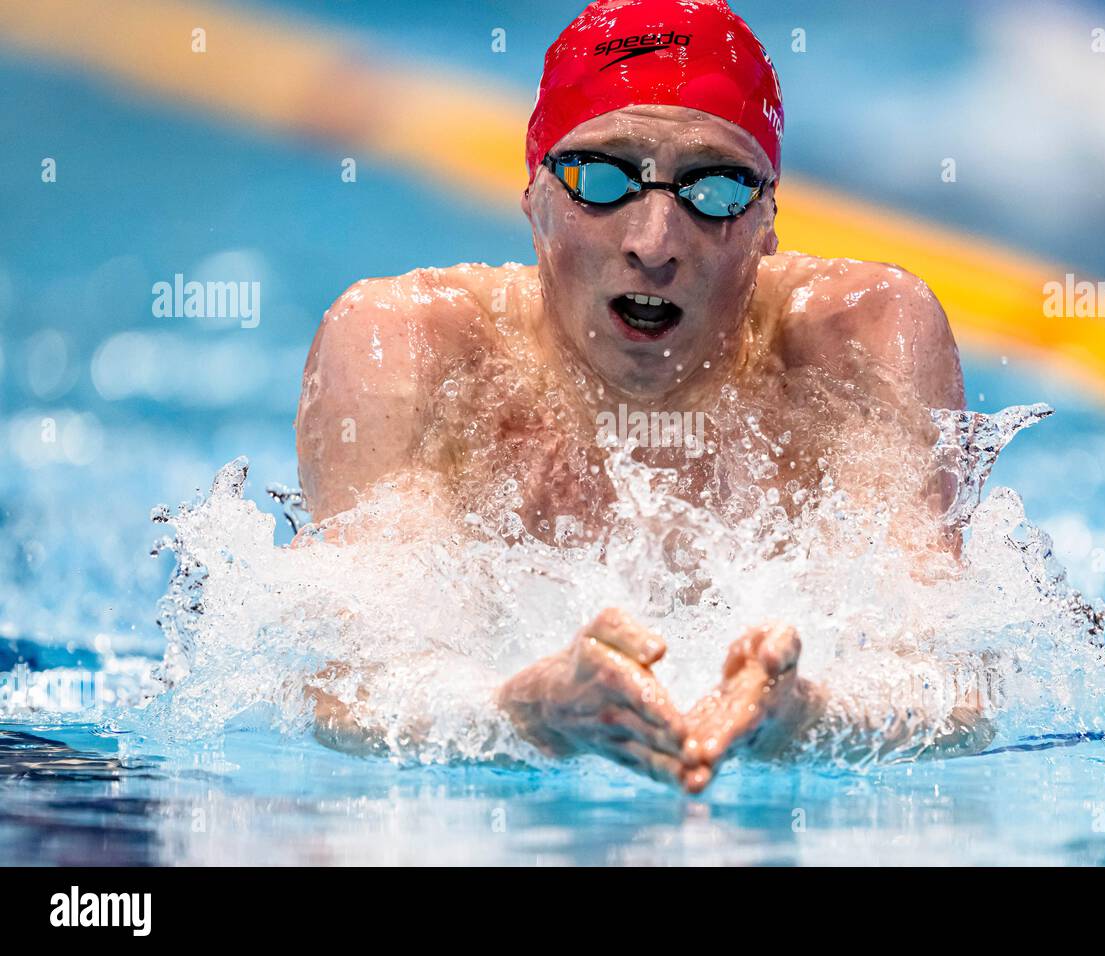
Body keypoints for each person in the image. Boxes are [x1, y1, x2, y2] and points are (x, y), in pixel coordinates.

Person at [295, 0, 977, 793]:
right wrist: (524, 713)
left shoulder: (857, 340)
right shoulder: (410, 347)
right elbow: (349, 688)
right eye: (602, 177)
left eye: (714, 188)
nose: (653, 243)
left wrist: (812, 718)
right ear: (534, 200)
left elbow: (952, 683)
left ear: (767, 221)